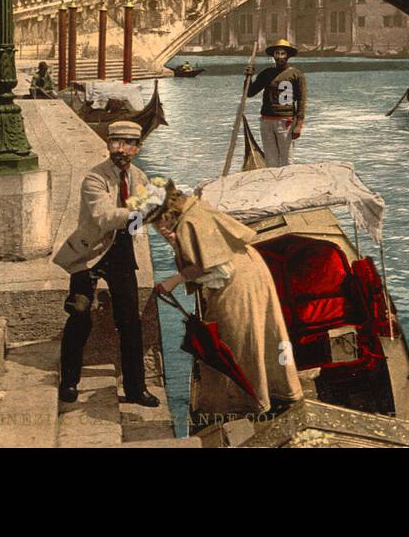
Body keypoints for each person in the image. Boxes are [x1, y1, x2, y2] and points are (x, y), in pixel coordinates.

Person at [150, 185, 302, 418]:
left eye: (160, 225)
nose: (161, 230)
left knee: (231, 342)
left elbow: (215, 268)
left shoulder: (189, 224)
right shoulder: (196, 210)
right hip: (252, 271)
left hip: (237, 282)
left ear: (167, 214)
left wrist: (174, 280)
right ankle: (275, 393)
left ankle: (244, 405)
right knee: (262, 336)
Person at [53, 121, 159, 407]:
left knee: (130, 322)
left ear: (137, 148)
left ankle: (136, 389)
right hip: (90, 253)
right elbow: (103, 217)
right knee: (80, 312)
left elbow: (138, 222)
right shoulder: (94, 178)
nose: (121, 150)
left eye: (127, 144)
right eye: (115, 143)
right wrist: (143, 209)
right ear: (108, 145)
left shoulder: (140, 177)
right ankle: (69, 381)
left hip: (121, 253)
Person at [246, 39, 306, 168]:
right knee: (270, 159)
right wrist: (249, 76)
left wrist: (299, 124)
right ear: (273, 55)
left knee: (287, 159)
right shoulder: (266, 73)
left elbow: (301, 100)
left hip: (286, 121)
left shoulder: (296, 74)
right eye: (277, 53)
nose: (279, 57)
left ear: (288, 55)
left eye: (282, 54)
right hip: (266, 120)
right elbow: (250, 93)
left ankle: (288, 185)